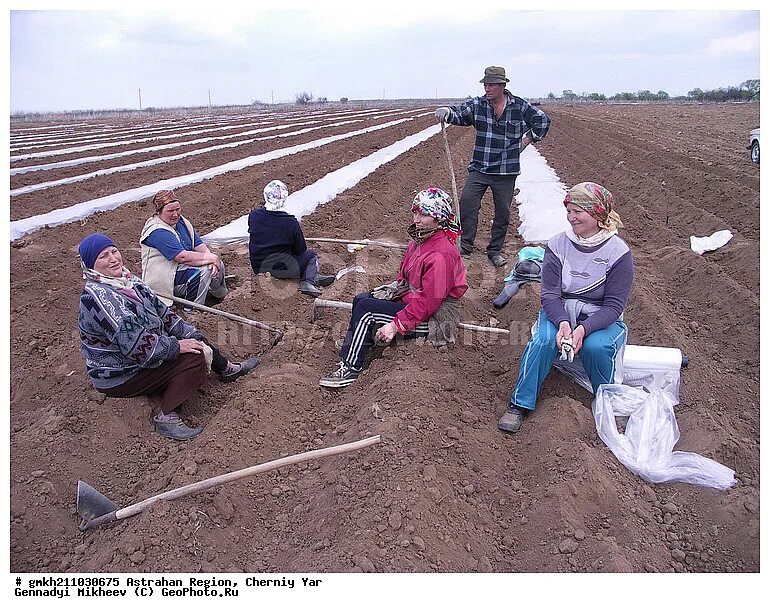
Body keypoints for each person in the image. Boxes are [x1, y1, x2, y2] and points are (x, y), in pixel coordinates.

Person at [77, 233, 259, 441]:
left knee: (192, 338)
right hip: (120, 374)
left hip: (139, 359)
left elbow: (164, 314)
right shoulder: (100, 298)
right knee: (194, 358)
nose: (113, 259)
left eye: (114, 251)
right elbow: (140, 348)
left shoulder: (128, 282)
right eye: (103, 256)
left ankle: (226, 368)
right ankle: (167, 417)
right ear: (91, 265)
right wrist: (177, 346)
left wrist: (190, 334)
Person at [498, 182, 633, 434]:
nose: (571, 218)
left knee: (597, 347)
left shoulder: (618, 252)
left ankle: (609, 404)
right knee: (543, 340)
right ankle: (519, 403)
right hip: (561, 311)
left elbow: (614, 306)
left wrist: (583, 330)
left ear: (597, 213)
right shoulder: (558, 244)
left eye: (578, 212)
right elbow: (550, 294)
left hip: (599, 317)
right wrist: (562, 323)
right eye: (569, 211)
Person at [319, 187, 468, 388]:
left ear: (438, 218)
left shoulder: (442, 253)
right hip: (416, 302)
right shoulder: (420, 240)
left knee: (367, 311)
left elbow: (428, 302)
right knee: (361, 299)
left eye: (423, 214)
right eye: (415, 212)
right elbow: (405, 276)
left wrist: (396, 325)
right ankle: (358, 343)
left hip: (436, 318)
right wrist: (393, 295)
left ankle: (350, 367)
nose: (417, 219)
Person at [435, 65, 551, 267]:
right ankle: (465, 246)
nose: (487, 89)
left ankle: (495, 250)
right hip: (480, 167)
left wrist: (527, 140)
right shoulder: (478, 105)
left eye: (491, 85)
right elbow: (460, 114)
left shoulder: (519, 106)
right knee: (467, 204)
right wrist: (447, 112)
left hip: (506, 170)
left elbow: (542, 120)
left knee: (503, 213)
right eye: (485, 85)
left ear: (502, 86)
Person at [248, 179, 336, 297]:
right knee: (311, 256)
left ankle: (312, 275)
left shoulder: (254, 216)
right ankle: (308, 281)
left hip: (258, 266)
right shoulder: (290, 222)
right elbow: (300, 249)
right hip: (280, 268)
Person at [140, 189, 228, 306]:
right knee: (202, 272)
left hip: (181, 270)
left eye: (178, 209)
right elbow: (182, 257)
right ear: (159, 212)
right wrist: (211, 258)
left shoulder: (181, 222)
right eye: (170, 211)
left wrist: (211, 259)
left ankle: (219, 298)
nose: (175, 214)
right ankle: (193, 309)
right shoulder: (158, 231)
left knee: (218, 264)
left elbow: (198, 244)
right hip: (166, 279)